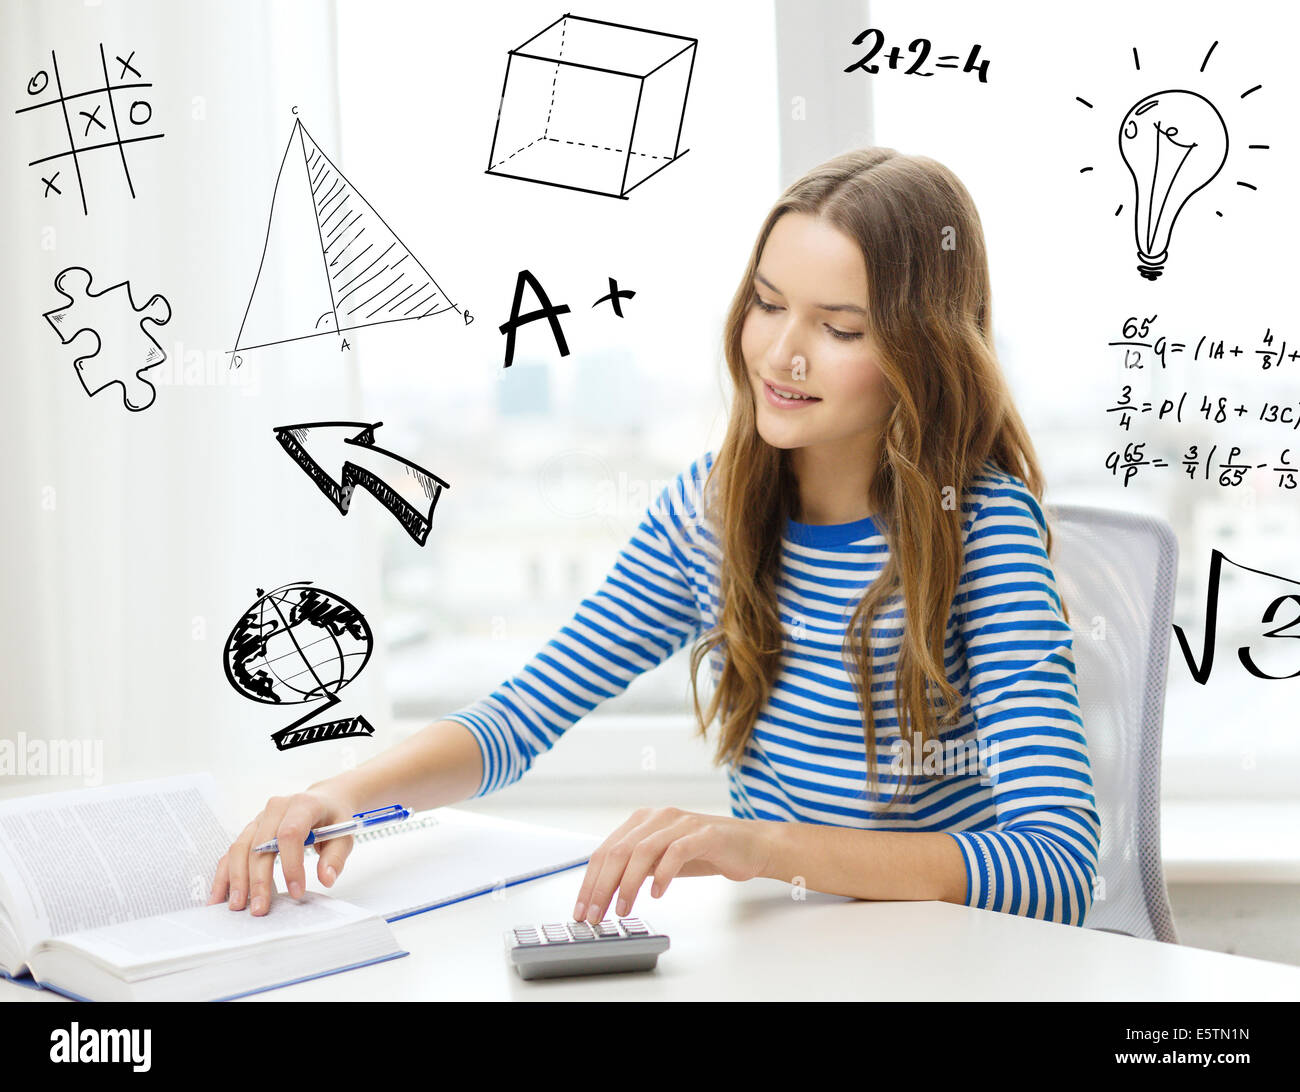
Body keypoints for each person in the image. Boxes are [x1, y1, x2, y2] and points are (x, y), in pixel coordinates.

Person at [208, 147, 1101, 929]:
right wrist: (345, 797)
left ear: (925, 351)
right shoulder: (711, 511)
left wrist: (763, 848)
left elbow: (1056, 868)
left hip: (946, 963)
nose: (781, 353)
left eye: (840, 329)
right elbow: (519, 719)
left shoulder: (983, 533)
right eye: (766, 303)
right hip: (786, 948)